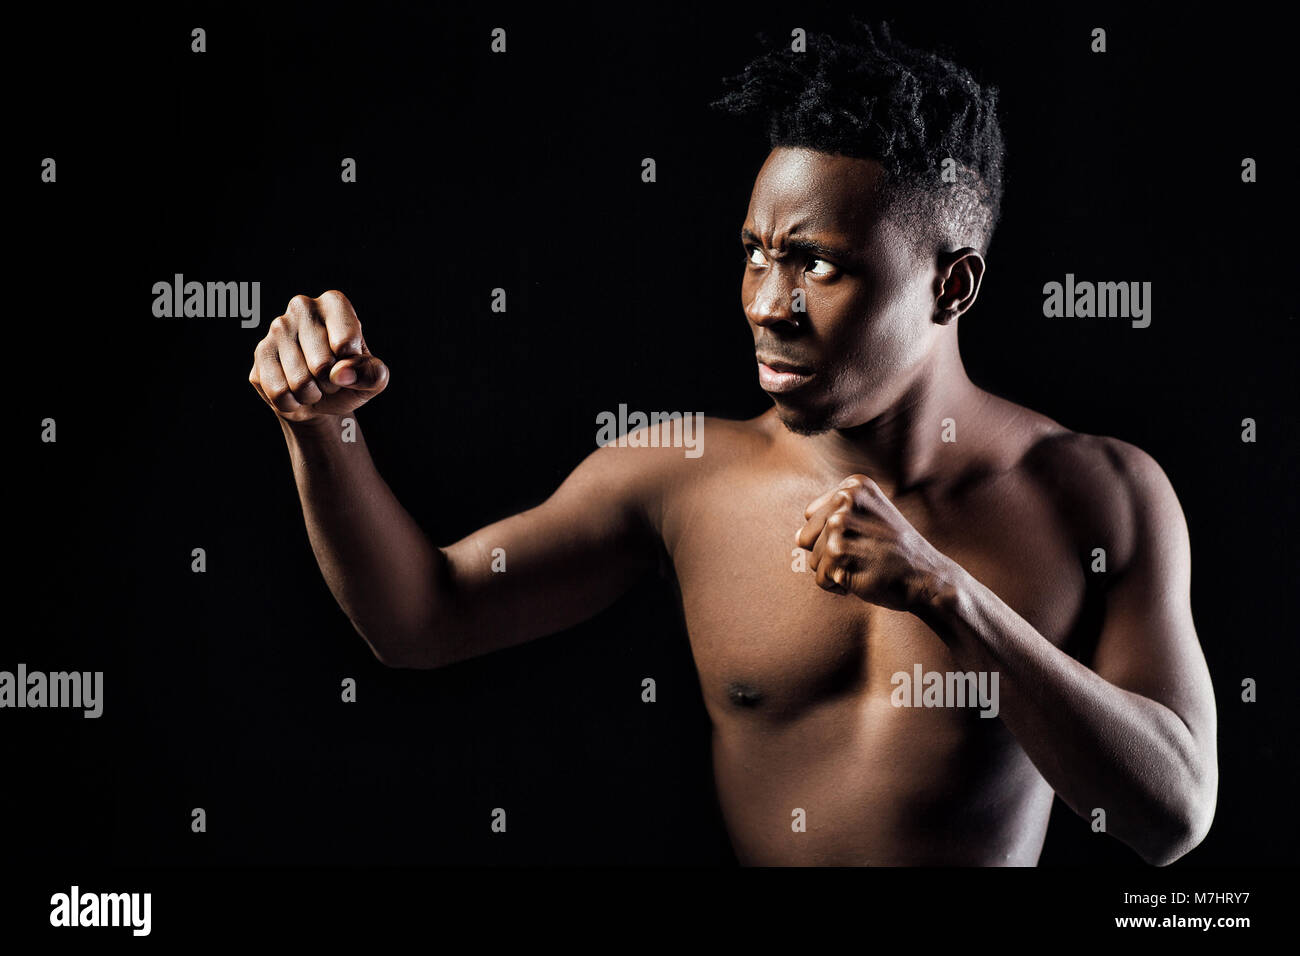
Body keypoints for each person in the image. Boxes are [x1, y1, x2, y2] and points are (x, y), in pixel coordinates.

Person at [247, 21, 1216, 866]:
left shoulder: (1097, 494)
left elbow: (1169, 816)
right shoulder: (681, 476)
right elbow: (421, 618)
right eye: (754, 252)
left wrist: (946, 592)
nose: (764, 304)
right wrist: (321, 430)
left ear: (950, 286)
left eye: (816, 265)